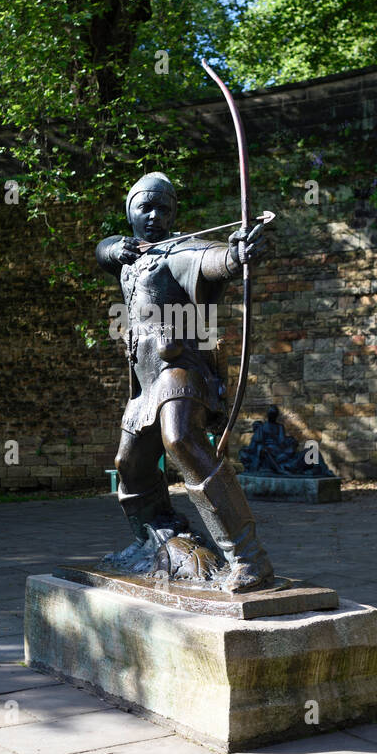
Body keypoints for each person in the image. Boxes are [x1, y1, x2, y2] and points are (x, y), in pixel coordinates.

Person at [96, 171, 274, 592]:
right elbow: (102, 251)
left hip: (180, 370)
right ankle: (153, 538)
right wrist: (113, 247)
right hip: (145, 381)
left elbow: (210, 260)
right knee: (130, 464)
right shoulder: (130, 256)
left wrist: (236, 256)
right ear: (130, 213)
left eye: (164, 208)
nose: (155, 216)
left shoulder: (177, 251)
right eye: (145, 207)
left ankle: (248, 558)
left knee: (181, 440)